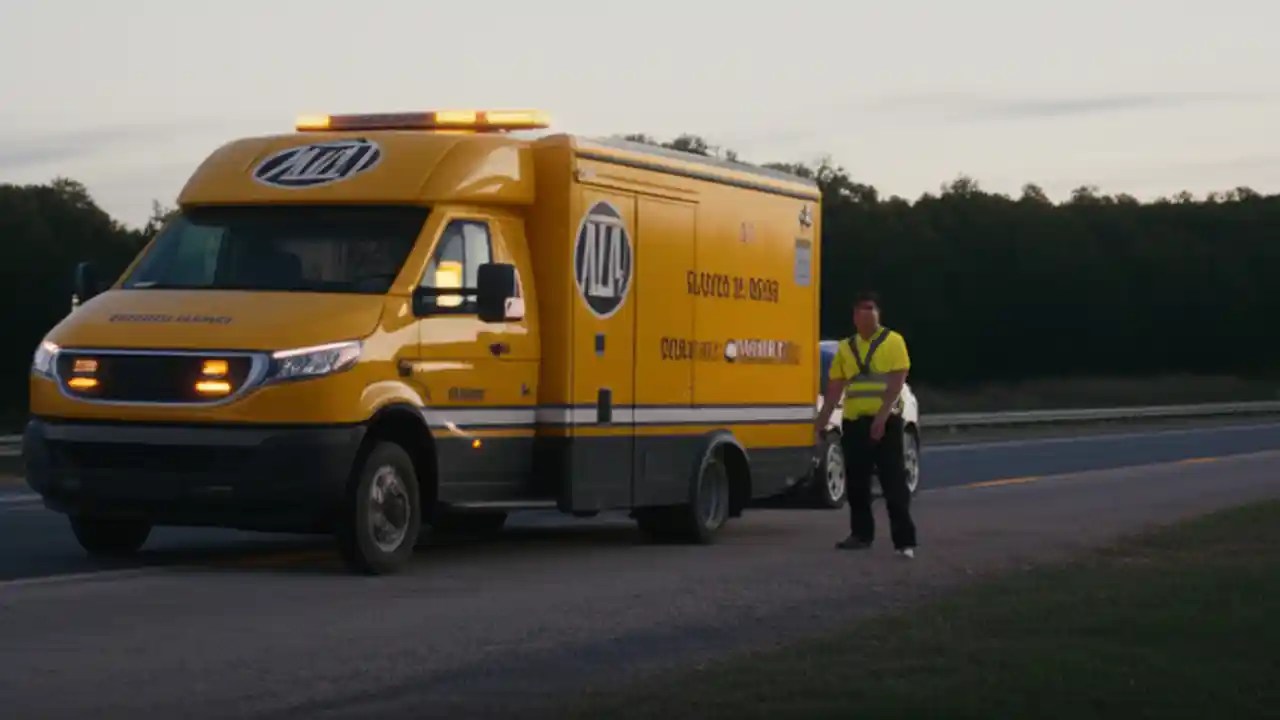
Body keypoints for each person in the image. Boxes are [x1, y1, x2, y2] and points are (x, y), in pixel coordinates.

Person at [814, 291, 918, 558]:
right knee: (857, 484)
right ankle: (861, 534)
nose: (866, 314)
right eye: (861, 309)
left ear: (878, 314)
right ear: (854, 316)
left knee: (893, 482)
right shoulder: (846, 348)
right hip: (854, 422)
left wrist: (882, 417)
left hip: (886, 421)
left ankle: (904, 541)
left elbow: (897, 381)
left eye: (871, 309)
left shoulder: (893, 342)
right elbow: (836, 386)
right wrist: (823, 419)